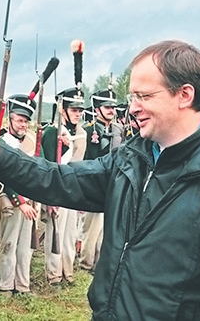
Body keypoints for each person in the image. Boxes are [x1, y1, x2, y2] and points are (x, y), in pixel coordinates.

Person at [0, 40, 200, 320]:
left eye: (144, 96)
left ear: (185, 95)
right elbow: (59, 179)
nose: (132, 107)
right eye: (132, 97)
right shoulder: (130, 158)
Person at [41, 86, 87, 287]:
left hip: (72, 189)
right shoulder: (52, 133)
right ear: (63, 110)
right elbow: (48, 166)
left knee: (70, 233)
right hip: (57, 190)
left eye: (79, 110)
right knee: (55, 233)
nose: (77, 114)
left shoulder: (80, 134)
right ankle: (54, 274)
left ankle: (67, 271)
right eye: (73, 110)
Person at [78, 88, 125, 273]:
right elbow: (85, 160)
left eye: (113, 107)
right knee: (91, 229)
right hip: (94, 185)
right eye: (107, 107)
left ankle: (99, 265)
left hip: (112, 186)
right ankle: (85, 264)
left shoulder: (118, 130)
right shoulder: (88, 131)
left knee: (106, 230)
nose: (111, 111)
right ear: (97, 109)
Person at [0, 94, 38, 297]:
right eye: (19, 120)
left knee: (25, 245)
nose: (23, 125)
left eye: (26, 120)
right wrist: (20, 202)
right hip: (11, 199)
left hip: (30, 198)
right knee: (9, 243)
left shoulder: (31, 140)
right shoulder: (3, 142)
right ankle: (6, 284)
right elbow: (4, 176)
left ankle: (23, 284)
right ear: (9, 120)